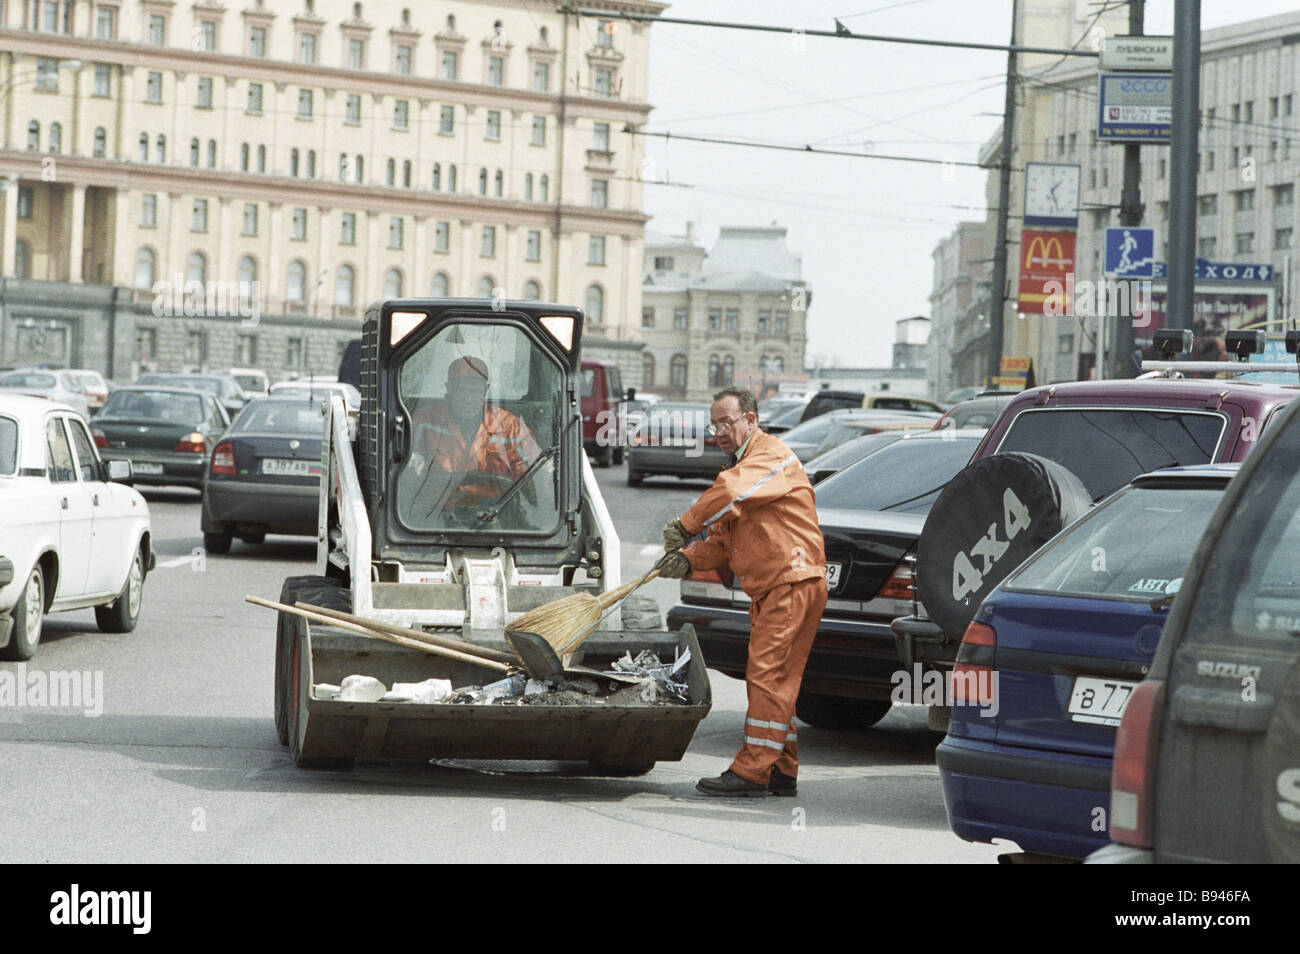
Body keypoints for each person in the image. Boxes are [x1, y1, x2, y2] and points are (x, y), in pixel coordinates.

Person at [660, 386, 828, 797]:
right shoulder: (742, 468)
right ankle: (781, 769)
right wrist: (688, 557)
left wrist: (686, 524)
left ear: (751, 420)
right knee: (778, 680)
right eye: (713, 424)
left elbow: (731, 495)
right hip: (778, 585)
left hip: (789, 582)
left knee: (767, 676)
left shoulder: (767, 456)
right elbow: (724, 539)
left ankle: (752, 772)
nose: (719, 430)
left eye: (726, 422)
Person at [402, 355, 540, 521]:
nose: (467, 398)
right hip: (436, 515)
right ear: (448, 388)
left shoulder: (510, 427)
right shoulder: (423, 422)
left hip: (494, 515)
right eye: (461, 390)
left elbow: (534, 473)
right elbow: (405, 470)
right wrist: (413, 464)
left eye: (474, 391)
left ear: (486, 390)